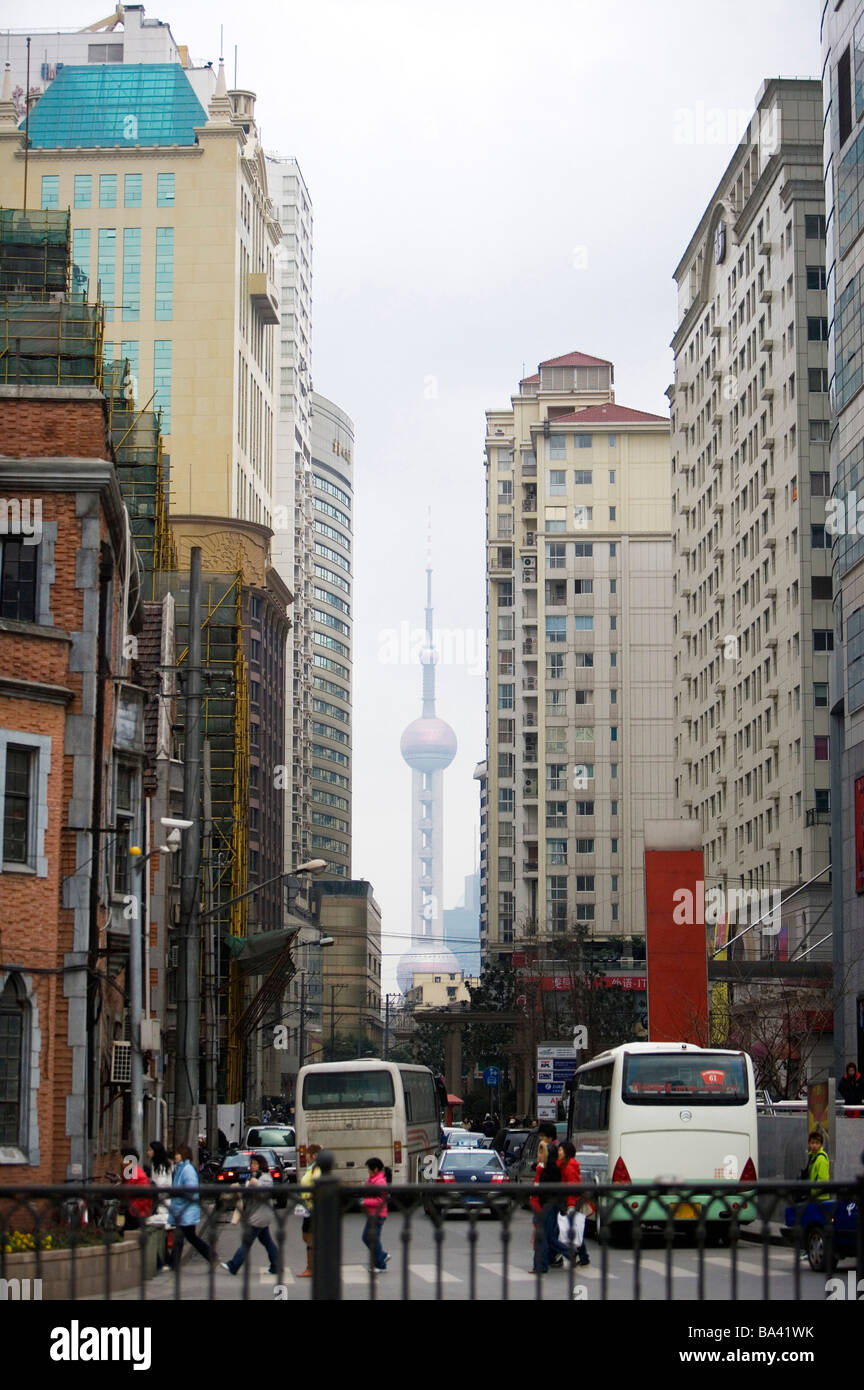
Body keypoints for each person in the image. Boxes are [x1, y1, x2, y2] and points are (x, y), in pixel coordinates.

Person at [220, 1153, 281, 1277]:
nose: (252, 1166)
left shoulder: (265, 1177)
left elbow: (265, 1193)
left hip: (260, 1215)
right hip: (257, 1213)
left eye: (254, 1163)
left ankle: (233, 1265)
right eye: (251, 1163)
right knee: (267, 1241)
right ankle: (276, 1265)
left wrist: (255, 1184)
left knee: (247, 1241)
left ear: (260, 1165)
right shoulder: (253, 1177)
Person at [167, 1146, 216, 1267]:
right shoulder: (180, 1169)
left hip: (186, 1210)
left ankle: (174, 1263)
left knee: (187, 1237)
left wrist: (176, 1193)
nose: (175, 1156)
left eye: (178, 1154)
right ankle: (174, 1263)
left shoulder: (187, 1170)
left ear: (184, 1155)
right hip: (182, 1209)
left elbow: (190, 1189)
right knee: (186, 1237)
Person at [530, 1137, 562, 1273]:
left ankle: (541, 1265)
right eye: (539, 1152)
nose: (539, 1155)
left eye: (542, 1152)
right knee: (544, 1237)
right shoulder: (542, 1168)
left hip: (545, 1205)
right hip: (540, 1204)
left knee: (544, 1238)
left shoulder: (550, 1169)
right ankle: (541, 1264)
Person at [557, 1141, 590, 1266]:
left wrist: (571, 1205)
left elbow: (572, 1187)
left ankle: (577, 1254)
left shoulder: (569, 1167)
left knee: (572, 1228)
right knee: (574, 1228)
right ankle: (583, 1256)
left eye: (561, 1150)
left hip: (572, 1201)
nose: (559, 1152)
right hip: (570, 1200)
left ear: (567, 1152)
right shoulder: (565, 1164)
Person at [145, 1140, 173, 1272]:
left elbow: (161, 1184)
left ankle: (163, 1262)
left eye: (150, 1150)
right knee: (161, 1234)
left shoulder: (160, 1167)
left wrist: (151, 1186)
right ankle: (165, 1261)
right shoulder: (157, 1165)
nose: (148, 1152)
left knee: (157, 1231)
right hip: (161, 1204)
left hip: (163, 1205)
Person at [297, 1143, 322, 1279]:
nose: (305, 1156)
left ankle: (311, 1268)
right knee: (307, 1237)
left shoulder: (316, 1170)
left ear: (313, 1155)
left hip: (313, 1208)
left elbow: (319, 1186)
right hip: (308, 1208)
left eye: (307, 1154)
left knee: (310, 1238)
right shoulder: (311, 1169)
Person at [362, 1157, 390, 1272]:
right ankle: (381, 1258)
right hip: (372, 1214)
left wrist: (364, 1202)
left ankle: (380, 1263)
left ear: (375, 1169)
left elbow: (380, 1200)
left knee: (371, 1238)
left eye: (369, 1168)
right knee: (368, 1238)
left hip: (378, 1215)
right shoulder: (373, 1179)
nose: (368, 1171)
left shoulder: (380, 1182)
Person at [121, 1148, 153, 1233]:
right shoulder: (129, 1173)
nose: (121, 1162)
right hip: (134, 1211)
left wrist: (131, 1210)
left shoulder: (139, 1176)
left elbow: (144, 1198)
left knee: (126, 1232)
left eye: (122, 1159)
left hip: (138, 1213)